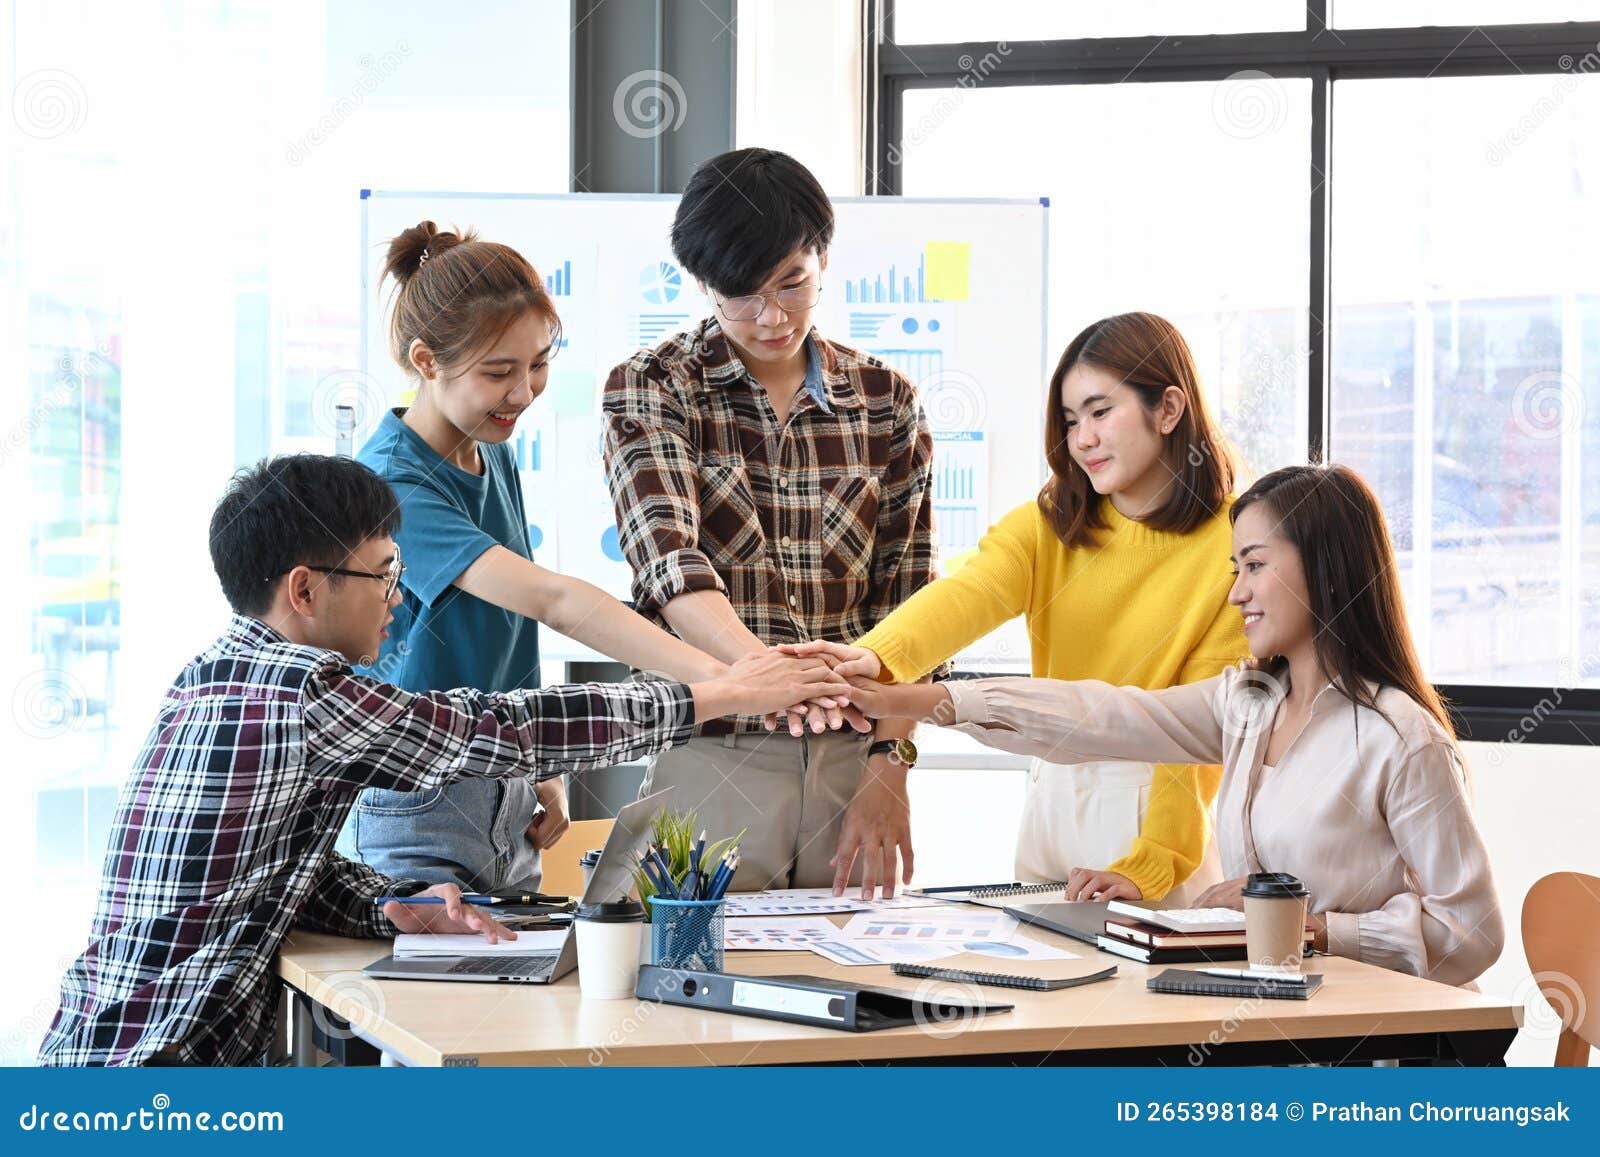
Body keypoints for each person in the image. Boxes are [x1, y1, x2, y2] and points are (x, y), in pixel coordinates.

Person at [38, 455, 844, 1066]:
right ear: (306, 590)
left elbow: (271, 873)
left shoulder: (214, 673)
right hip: (163, 1075)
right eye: (387, 573)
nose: (400, 595)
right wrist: (712, 695)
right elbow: (494, 731)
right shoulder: (304, 692)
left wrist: (393, 905)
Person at [838, 464, 1505, 986]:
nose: (1236, 591)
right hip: (1278, 1017)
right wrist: (919, 702)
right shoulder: (1249, 702)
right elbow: (1103, 716)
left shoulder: (1399, 737)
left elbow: (1473, 932)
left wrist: (1312, 927)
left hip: (1373, 1046)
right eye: (1233, 568)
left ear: (1325, 572)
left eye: (1255, 566)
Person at [339, 221, 845, 894]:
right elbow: (553, 602)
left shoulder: (490, 446)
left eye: (539, 363)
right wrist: (742, 678)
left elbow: (511, 635)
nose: (523, 393)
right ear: (427, 361)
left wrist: (538, 768)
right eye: (498, 372)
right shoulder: (392, 484)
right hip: (419, 796)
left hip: (500, 784)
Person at [791, 312, 1248, 904]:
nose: (1082, 439)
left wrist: (1151, 861)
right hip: (1050, 800)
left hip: (1157, 826)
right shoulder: (1051, 523)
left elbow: (1196, 740)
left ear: (1167, 409)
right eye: (1069, 420)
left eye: (1100, 411)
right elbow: (963, 598)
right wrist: (865, 662)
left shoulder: (1232, 545)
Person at [602, 148, 937, 895]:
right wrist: (772, 679)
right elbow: (670, 564)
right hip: (712, 744)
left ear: (823, 257)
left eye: (793, 284)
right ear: (701, 285)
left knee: (855, 987)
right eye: (740, 296)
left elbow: (909, 597)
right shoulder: (653, 388)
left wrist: (893, 762)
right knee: (690, 987)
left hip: (856, 754)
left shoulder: (887, 400)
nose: (772, 316)